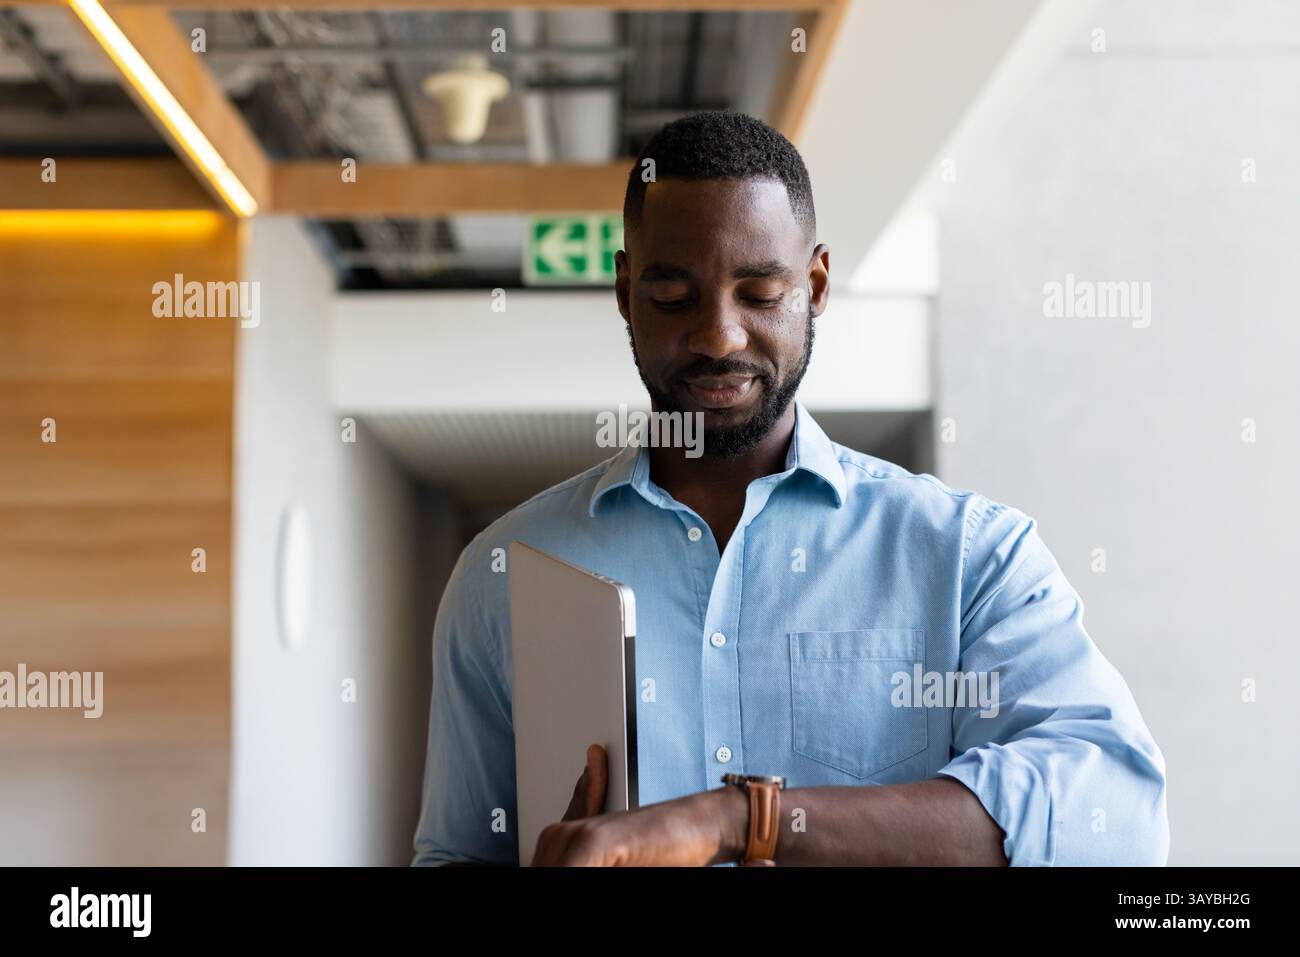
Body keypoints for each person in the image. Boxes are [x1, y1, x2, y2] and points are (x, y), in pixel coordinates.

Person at [411, 110, 1169, 866]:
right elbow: (454, 854)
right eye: (674, 296)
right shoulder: (502, 573)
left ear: (816, 284)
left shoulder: (971, 556)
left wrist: (743, 819)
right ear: (624, 290)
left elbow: (1116, 818)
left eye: (762, 292)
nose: (719, 336)